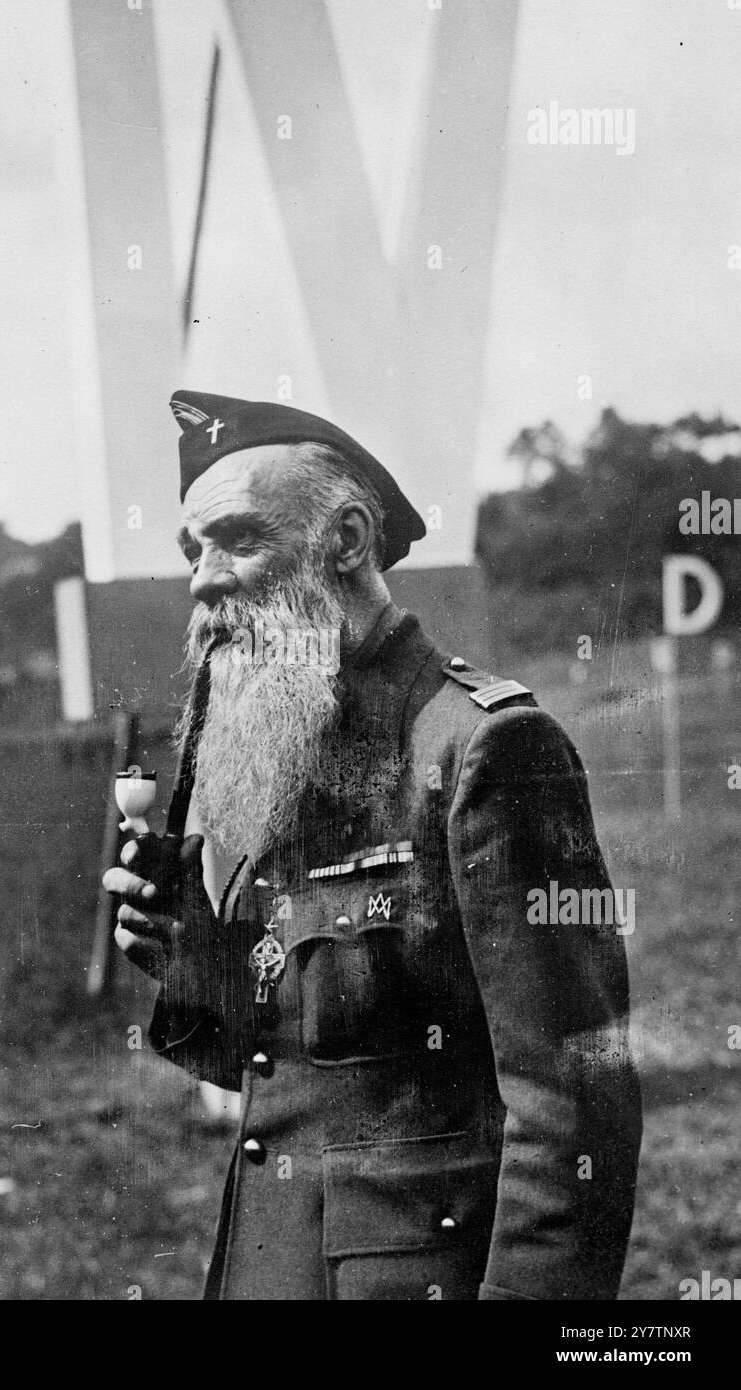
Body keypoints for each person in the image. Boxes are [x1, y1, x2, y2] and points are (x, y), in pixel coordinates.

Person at [103, 390, 642, 1301]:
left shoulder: (481, 749)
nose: (203, 579)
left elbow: (576, 1103)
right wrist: (199, 969)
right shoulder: (277, 737)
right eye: (193, 551)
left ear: (347, 541)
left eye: (238, 539)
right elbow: (292, 1068)